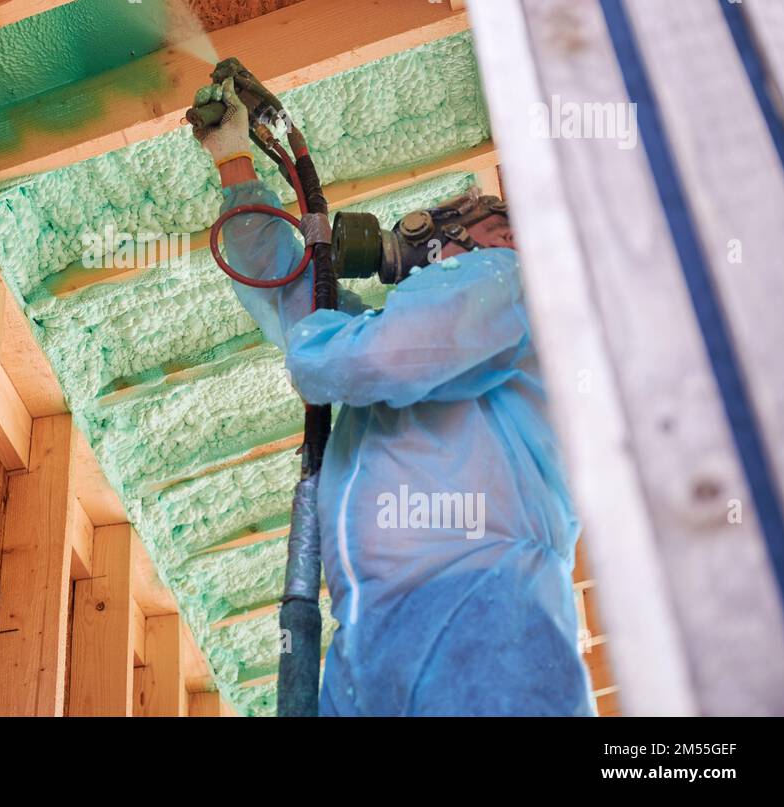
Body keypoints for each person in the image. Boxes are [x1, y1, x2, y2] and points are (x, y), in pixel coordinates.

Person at [193, 78, 594, 716]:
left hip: (482, 611)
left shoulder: (515, 280)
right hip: (372, 635)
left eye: (475, 215)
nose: (439, 230)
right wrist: (234, 163)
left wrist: (324, 345)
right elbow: (297, 301)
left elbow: (361, 354)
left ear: (510, 236)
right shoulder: (401, 347)